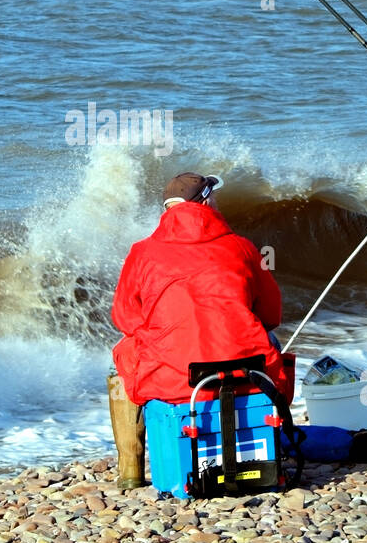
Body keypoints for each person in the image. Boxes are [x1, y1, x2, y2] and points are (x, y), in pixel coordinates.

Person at [107, 172, 288, 488]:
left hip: (174, 380)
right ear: (205, 201)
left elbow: (124, 318)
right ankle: (273, 444)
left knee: (123, 355)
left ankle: (131, 473)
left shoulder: (142, 251)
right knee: (269, 339)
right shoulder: (242, 247)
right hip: (245, 375)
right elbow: (271, 314)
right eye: (213, 196)